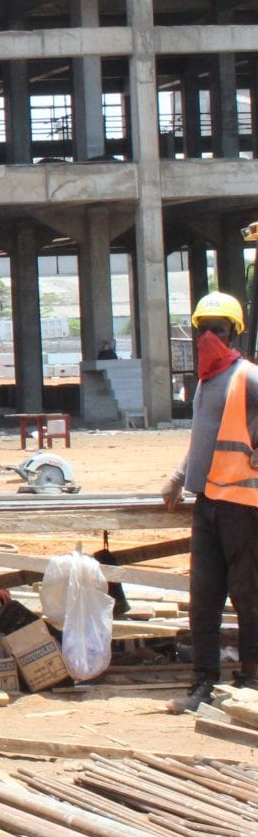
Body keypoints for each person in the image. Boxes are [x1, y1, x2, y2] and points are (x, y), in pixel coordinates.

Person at [160, 291, 258, 711]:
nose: (208, 337)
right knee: (204, 597)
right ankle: (203, 682)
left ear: (234, 333)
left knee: (248, 595)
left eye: (218, 330)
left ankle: (252, 678)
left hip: (242, 506)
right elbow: (205, 438)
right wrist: (179, 477)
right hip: (207, 503)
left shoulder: (247, 376)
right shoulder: (204, 380)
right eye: (203, 330)